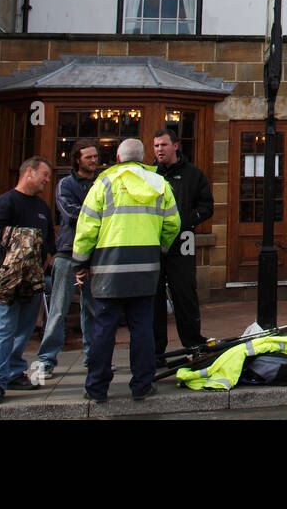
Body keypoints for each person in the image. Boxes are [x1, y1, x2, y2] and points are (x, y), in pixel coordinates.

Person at [74, 138, 180, 402]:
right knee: (142, 328)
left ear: (118, 159)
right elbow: (172, 224)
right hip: (146, 267)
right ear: (144, 158)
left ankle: (96, 388)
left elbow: (87, 227)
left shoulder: (104, 184)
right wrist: (160, 247)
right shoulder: (159, 184)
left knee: (104, 329)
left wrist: (80, 262)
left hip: (108, 268)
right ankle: (141, 386)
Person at [0, 157, 55, 404]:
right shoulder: (4, 203)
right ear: (29, 172)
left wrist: (43, 262)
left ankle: (14, 371)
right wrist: (25, 241)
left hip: (33, 279)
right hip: (6, 278)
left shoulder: (43, 208)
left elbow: (49, 244)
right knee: (4, 328)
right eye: (44, 174)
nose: (47, 180)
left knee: (24, 328)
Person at [34, 139, 100, 378]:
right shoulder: (65, 184)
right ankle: (46, 360)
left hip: (94, 253)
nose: (94, 161)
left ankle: (93, 356)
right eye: (88, 157)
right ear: (77, 159)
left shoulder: (101, 183)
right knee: (58, 308)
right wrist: (96, 214)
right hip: (67, 252)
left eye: (95, 156)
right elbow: (70, 213)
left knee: (91, 308)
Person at [151, 128, 213, 361]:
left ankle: (193, 345)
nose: (159, 150)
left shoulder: (193, 174)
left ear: (175, 146)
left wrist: (189, 219)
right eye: (156, 146)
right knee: (153, 299)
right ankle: (155, 351)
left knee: (184, 295)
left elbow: (207, 206)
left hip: (183, 243)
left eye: (163, 145)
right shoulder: (150, 174)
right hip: (154, 244)